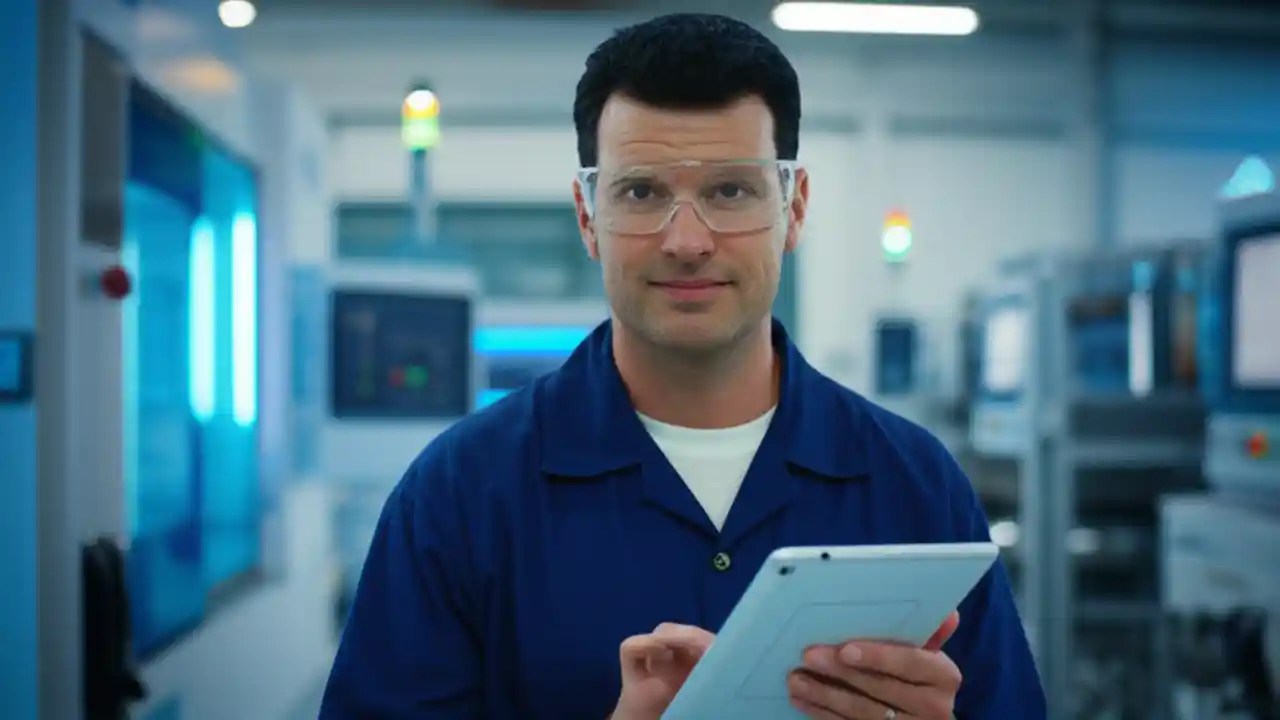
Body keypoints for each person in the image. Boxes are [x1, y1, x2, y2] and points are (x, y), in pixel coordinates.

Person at [319, 12, 1045, 720]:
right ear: (586, 214)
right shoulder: (460, 498)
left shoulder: (915, 488)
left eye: (731, 191)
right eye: (642, 193)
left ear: (794, 209)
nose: (688, 240)